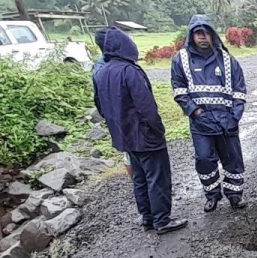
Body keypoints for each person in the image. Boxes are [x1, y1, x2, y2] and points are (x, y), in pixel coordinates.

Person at [93, 28, 188, 234]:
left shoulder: (101, 72)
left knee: (139, 178)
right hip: (145, 135)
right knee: (157, 177)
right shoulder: (130, 71)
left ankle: (147, 217)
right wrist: (158, 129)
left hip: (123, 136)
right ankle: (162, 220)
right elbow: (147, 107)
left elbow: (100, 107)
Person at [171, 14, 248, 212]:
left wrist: (235, 116)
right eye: (198, 33)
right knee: (204, 159)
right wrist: (195, 112)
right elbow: (179, 90)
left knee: (233, 159)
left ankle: (234, 196)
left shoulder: (228, 61)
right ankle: (212, 195)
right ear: (192, 35)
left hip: (226, 121)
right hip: (201, 123)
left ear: (212, 35)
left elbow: (239, 91)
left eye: (206, 33)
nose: (202, 37)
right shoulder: (181, 60)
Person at [92, 28, 135, 181]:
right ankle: (138, 184)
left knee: (129, 153)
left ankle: (139, 185)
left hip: (118, 118)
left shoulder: (100, 67)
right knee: (131, 153)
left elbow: (98, 101)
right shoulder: (107, 68)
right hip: (125, 118)